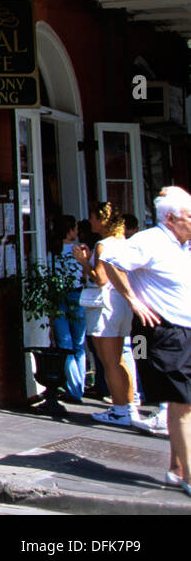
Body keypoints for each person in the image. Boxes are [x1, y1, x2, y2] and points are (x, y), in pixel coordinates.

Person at [98, 186, 191, 494]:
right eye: (190, 216)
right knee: (182, 405)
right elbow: (109, 258)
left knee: (184, 406)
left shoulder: (183, 245)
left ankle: (176, 469)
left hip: (186, 330)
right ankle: (189, 477)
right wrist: (133, 300)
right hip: (163, 332)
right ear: (172, 218)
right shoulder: (150, 241)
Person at [76, 201, 140, 425]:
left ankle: (120, 409)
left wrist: (84, 262)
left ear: (102, 220)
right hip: (121, 304)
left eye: (94, 217)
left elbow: (100, 279)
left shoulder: (103, 245)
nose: (91, 221)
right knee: (120, 359)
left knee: (109, 361)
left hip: (105, 307)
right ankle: (129, 405)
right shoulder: (123, 243)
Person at [48, 214, 87, 403]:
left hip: (59, 295)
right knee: (79, 345)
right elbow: (85, 273)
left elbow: (48, 273)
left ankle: (74, 386)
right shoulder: (79, 249)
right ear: (70, 230)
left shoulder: (52, 250)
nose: (77, 232)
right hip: (77, 294)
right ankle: (79, 388)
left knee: (65, 344)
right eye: (75, 228)